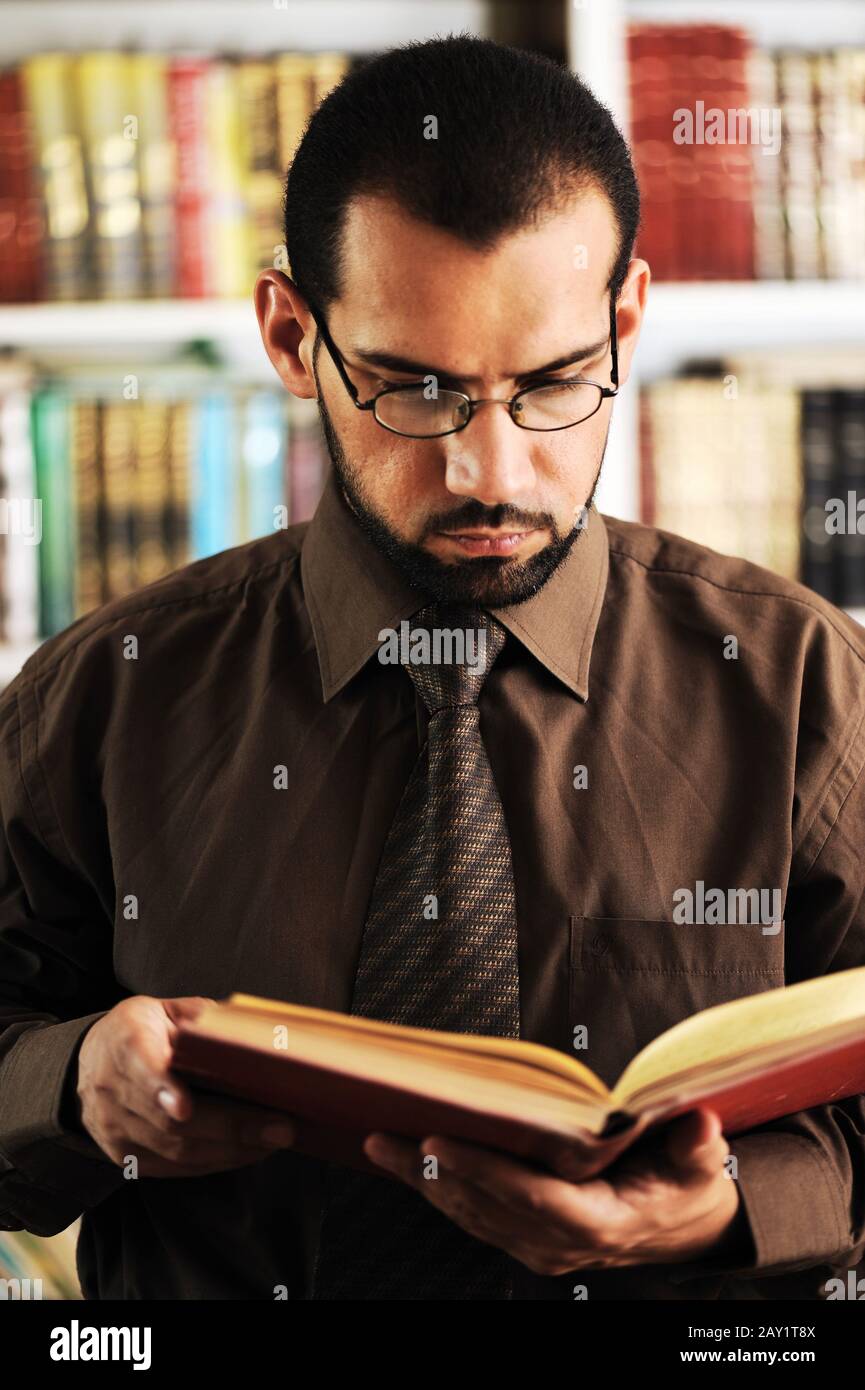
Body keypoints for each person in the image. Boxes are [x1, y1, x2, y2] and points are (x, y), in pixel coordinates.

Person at [1, 34, 863, 1301]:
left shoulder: (804, 690)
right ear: (293, 338)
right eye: (414, 390)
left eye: (557, 383)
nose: (491, 470)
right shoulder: (102, 698)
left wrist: (718, 1212)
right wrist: (72, 1086)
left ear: (626, 319)